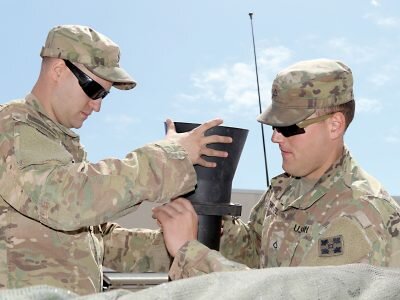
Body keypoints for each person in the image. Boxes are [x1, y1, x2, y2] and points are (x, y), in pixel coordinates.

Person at [0, 25, 232, 295]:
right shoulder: (12, 127)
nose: (97, 105)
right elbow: (64, 202)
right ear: (58, 70)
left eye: (104, 95)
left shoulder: (61, 147)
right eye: (93, 89)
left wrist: (183, 242)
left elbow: (99, 240)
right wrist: (169, 155)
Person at [153, 58, 400, 280]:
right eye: (273, 126)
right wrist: (204, 220)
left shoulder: (364, 214)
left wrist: (189, 252)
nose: (275, 138)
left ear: (334, 125)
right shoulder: (285, 189)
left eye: (288, 127)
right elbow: (253, 248)